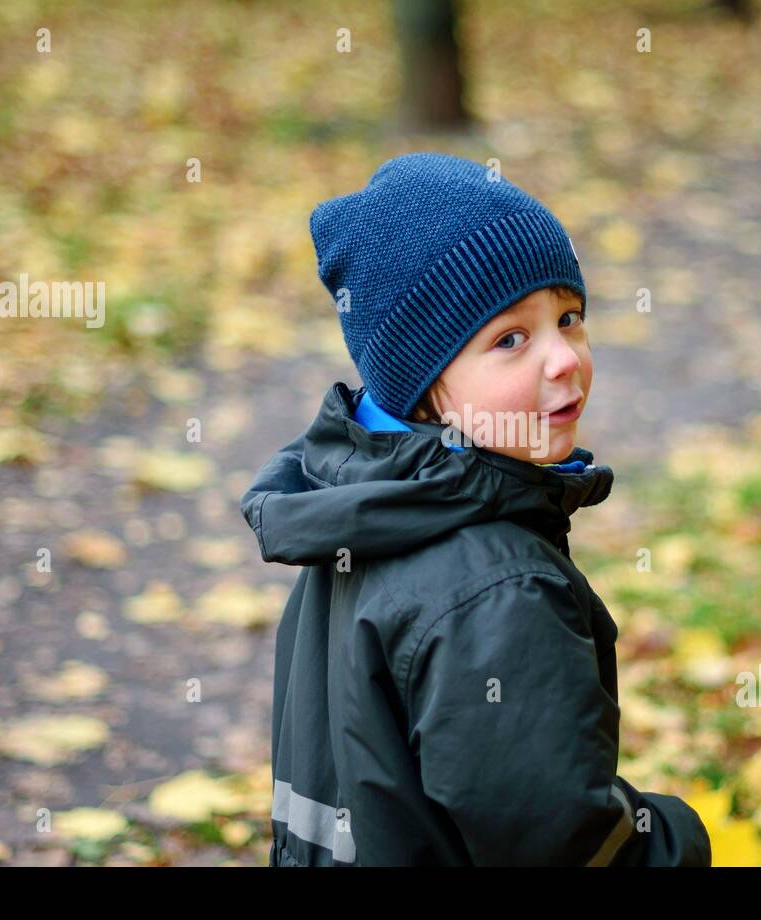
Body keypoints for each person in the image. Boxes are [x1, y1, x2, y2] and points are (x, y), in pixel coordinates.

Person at [240, 152, 712, 866]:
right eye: (510, 338)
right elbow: (559, 847)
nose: (564, 359)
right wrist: (685, 840)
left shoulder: (357, 512)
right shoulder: (499, 589)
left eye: (570, 317)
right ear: (423, 384)